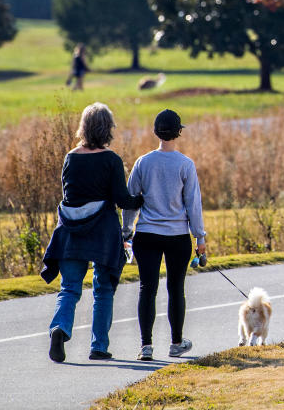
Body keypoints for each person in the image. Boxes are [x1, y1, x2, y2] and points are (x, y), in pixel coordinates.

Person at [41, 102, 143, 363]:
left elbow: (69, 194)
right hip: (102, 231)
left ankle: (59, 328)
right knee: (103, 288)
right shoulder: (111, 159)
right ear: (107, 128)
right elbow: (121, 199)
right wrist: (139, 200)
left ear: (84, 127)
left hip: (71, 230)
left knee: (70, 287)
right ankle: (99, 346)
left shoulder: (70, 157)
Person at [123, 108, 207, 361]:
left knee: (147, 288)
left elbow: (130, 200)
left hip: (147, 234)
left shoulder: (143, 162)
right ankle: (176, 343)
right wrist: (199, 238)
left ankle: (146, 346)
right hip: (177, 236)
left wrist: (126, 232)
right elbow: (193, 204)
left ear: (156, 131)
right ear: (178, 132)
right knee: (175, 288)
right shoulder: (185, 164)